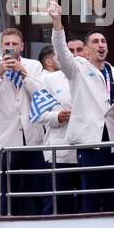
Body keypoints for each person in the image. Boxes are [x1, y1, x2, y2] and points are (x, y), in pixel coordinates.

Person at [49, 2, 114, 213]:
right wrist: (57, 23)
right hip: (90, 143)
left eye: (103, 41)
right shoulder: (77, 68)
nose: (101, 44)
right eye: (95, 41)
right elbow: (61, 52)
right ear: (86, 50)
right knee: (91, 200)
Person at [0, 26, 48, 215]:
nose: (11, 47)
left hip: (32, 139)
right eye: (7, 44)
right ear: (1, 46)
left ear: (22, 46)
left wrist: (23, 72)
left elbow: (42, 95)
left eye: (14, 44)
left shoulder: (33, 66)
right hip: (4, 141)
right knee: (6, 194)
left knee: (38, 191)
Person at [32, 44, 80, 214]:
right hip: (60, 154)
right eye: (69, 51)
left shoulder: (91, 76)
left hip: (89, 151)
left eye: (79, 50)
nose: (74, 55)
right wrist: (56, 117)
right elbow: (37, 115)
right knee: (57, 204)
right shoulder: (48, 79)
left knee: (85, 204)